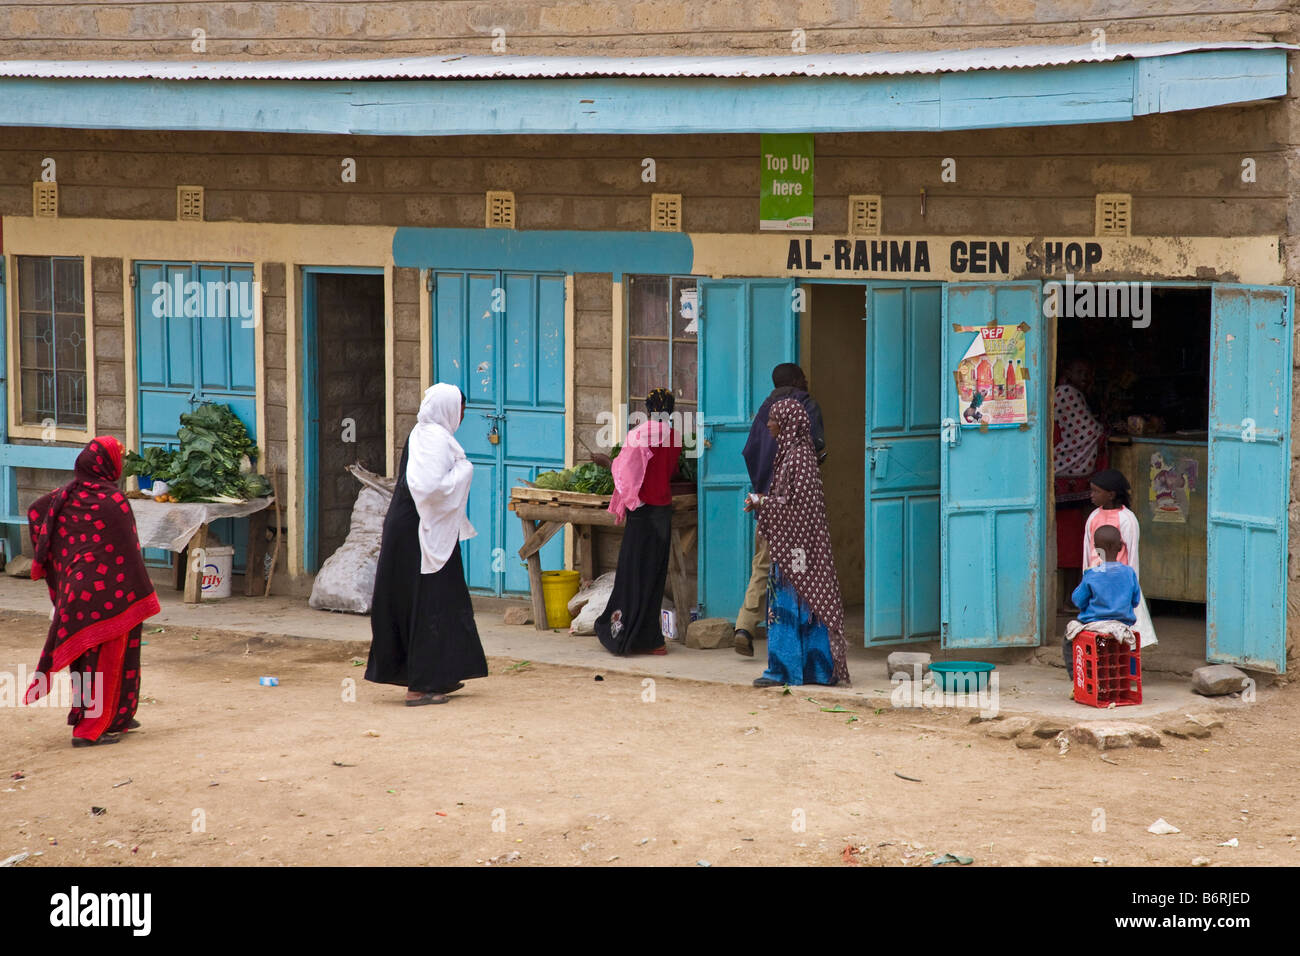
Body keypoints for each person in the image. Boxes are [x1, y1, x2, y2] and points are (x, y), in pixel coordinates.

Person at [23, 436, 161, 746]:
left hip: (76, 593)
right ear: (107, 465)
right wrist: (139, 591)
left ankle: (118, 715)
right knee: (108, 661)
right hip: (108, 595)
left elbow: (34, 512)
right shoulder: (113, 501)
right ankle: (88, 730)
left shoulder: (64, 496)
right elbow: (128, 551)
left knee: (87, 661)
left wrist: (56, 566)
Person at [366, 383, 488, 705]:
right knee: (425, 603)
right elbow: (430, 487)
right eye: (460, 408)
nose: (462, 415)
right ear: (448, 408)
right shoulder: (433, 438)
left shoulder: (425, 433)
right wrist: (465, 471)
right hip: (418, 533)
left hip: (420, 528)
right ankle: (418, 687)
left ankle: (440, 675)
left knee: (443, 599)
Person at [748, 399, 850, 688]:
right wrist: (764, 502)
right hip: (800, 545)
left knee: (787, 606)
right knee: (806, 604)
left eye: (772, 419)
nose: (768, 424)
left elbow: (798, 507)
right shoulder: (793, 454)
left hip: (798, 548)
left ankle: (783, 670)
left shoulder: (798, 457)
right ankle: (813, 670)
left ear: (786, 422)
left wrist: (762, 502)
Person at [733, 363, 826, 657]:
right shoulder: (804, 408)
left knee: (763, 565)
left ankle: (745, 626)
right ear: (797, 381)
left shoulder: (765, 410)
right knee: (802, 571)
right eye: (804, 376)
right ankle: (798, 640)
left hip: (767, 503)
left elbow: (750, 451)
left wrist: (764, 485)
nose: (807, 380)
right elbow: (819, 449)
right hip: (796, 511)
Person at [595, 388, 682, 656]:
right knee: (654, 575)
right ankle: (654, 640)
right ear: (670, 410)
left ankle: (624, 637)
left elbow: (626, 475)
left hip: (642, 513)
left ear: (647, 410)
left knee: (632, 573)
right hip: (662, 513)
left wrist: (606, 462)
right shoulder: (675, 438)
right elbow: (670, 471)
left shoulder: (638, 436)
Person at [1082, 468, 1157, 646]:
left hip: (1119, 582)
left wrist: (1131, 585)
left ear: (1111, 494)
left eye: (1096, 491)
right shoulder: (1093, 517)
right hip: (1097, 579)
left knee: (1125, 630)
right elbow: (1087, 551)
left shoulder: (1127, 519)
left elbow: (1132, 557)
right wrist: (1086, 577)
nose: (1091, 495)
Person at [1054, 359, 1106, 605]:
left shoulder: (1065, 391)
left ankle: (1068, 599)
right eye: (1080, 371)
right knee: (1071, 542)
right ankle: (1068, 600)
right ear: (1068, 371)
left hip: (1062, 476)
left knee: (1070, 541)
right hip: (1068, 474)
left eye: (1088, 373)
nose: (1084, 377)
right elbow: (1089, 432)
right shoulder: (1067, 393)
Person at [1063, 525, 1141, 682]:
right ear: (1120, 546)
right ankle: (1127, 676)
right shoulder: (1129, 573)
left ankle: (1076, 678)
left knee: (1068, 638)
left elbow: (1077, 600)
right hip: (1122, 624)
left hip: (1094, 624)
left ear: (1097, 549)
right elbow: (1135, 600)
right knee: (1128, 644)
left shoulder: (1092, 574)